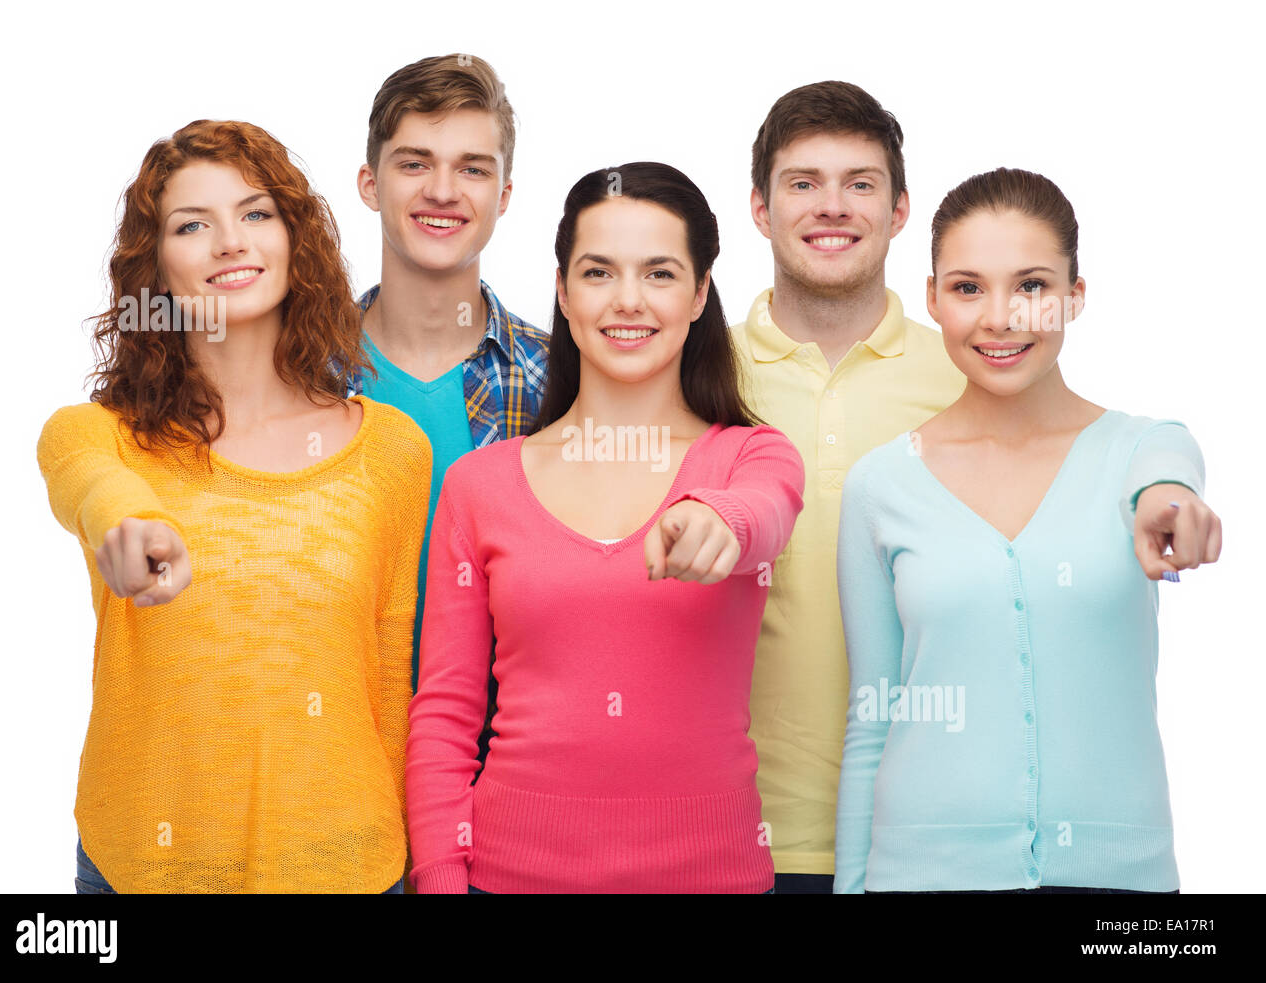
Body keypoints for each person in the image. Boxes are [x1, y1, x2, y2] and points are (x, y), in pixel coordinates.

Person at [36, 120, 432, 893]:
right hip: (142, 867)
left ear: (294, 237)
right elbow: (88, 484)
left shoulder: (393, 449)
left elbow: (389, 681)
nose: (229, 242)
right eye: (192, 225)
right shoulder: (102, 438)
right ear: (156, 268)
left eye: (255, 214)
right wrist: (127, 523)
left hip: (349, 867)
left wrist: (410, 860)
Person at [404, 162, 805, 893]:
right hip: (508, 876)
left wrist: (717, 514)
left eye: (659, 274)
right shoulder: (479, 483)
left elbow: (766, 510)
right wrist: (438, 876)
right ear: (562, 290)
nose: (628, 301)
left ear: (700, 294)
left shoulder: (749, 457)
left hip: (712, 879)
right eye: (598, 272)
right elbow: (445, 714)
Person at [834, 167, 1221, 894]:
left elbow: (1171, 475)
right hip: (919, 877)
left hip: (1121, 887)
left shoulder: (1139, 452)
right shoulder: (880, 486)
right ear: (933, 300)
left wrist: (1171, 506)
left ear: (1076, 296)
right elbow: (872, 719)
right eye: (968, 286)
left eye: (1033, 287)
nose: (1001, 317)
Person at [731, 81, 966, 892]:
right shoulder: (694, 378)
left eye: (860, 184)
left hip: (928, 838)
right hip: (729, 833)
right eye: (803, 183)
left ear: (901, 209)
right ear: (760, 208)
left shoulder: (970, 375)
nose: (832, 207)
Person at [351, 54, 549, 716]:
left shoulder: (560, 380)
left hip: (501, 767)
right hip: (329, 760)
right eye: (414, 163)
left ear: (504, 195)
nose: (442, 190)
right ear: (370, 184)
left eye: (472, 168)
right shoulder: (298, 374)